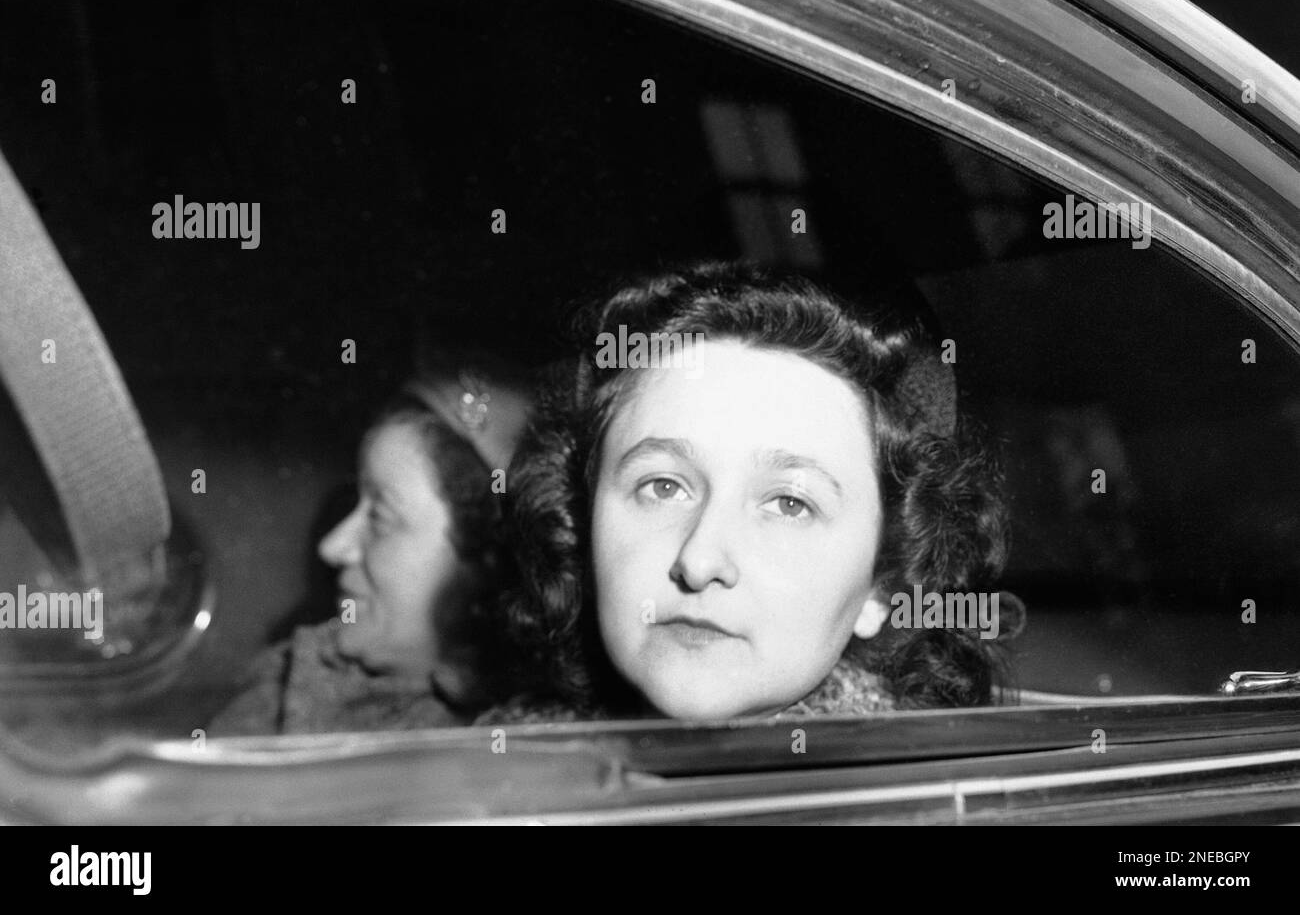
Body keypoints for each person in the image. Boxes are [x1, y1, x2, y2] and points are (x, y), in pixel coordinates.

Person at [480, 260, 1022, 724]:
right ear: (583, 518)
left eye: (790, 504)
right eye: (663, 486)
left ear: (883, 585)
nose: (700, 560)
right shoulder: (495, 770)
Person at [211, 356, 531, 734]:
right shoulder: (282, 683)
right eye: (354, 504)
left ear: (488, 564)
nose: (332, 547)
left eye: (380, 518)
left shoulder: (540, 742)